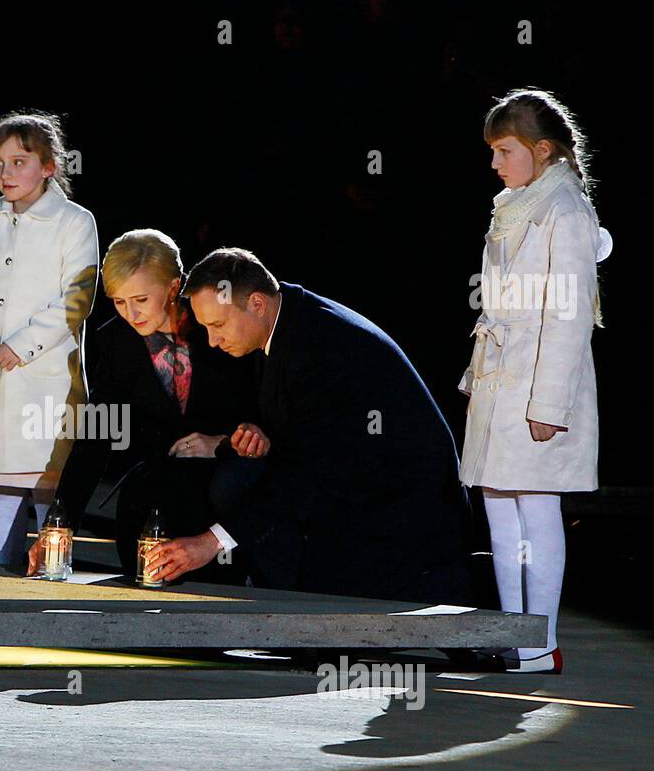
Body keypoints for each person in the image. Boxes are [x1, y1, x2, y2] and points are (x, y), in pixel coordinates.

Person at [144, 247, 474, 607]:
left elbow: (302, 468)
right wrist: (232, 442)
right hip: (352, 487)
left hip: (401, 509)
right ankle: (293, 602)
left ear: (256, 302)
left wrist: (209, 543)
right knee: (235, 480)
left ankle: (301, 608)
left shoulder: (319, 346)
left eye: (218, 325)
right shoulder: (289, 320)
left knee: (327, 624)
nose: (212, 341)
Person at [457, 88, 612, 674]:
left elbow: (568, 317)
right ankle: (513, 632)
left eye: (505, 150)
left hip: (537, 385)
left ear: (542, 150)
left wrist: (548, 402)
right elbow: (501, 304)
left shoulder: (564, 210)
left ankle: (539, 641)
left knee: (537, 505)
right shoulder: (514, 205)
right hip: (504, 377)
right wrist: (478, 375)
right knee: (499, 503)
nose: (495, 163)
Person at [23, 229, 269, 582]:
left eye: (140, 299)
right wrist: (59, 526)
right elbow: (98, 435)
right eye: (119, 302)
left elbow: (261, 408)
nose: (130, 314)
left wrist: (221, 443)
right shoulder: (114, 340)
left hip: (225, 483)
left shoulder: (220, 324)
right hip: (155, 492)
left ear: (173, 287)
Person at [0, 111, 100, 572]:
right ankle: (1, 568)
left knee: (46, 479)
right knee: (4, 476)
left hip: (46, 374)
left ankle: (52, 570)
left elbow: (78, 296)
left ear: (49, 166)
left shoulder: (74, 221)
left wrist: (20, 346)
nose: (6, 173)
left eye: (19, 161)